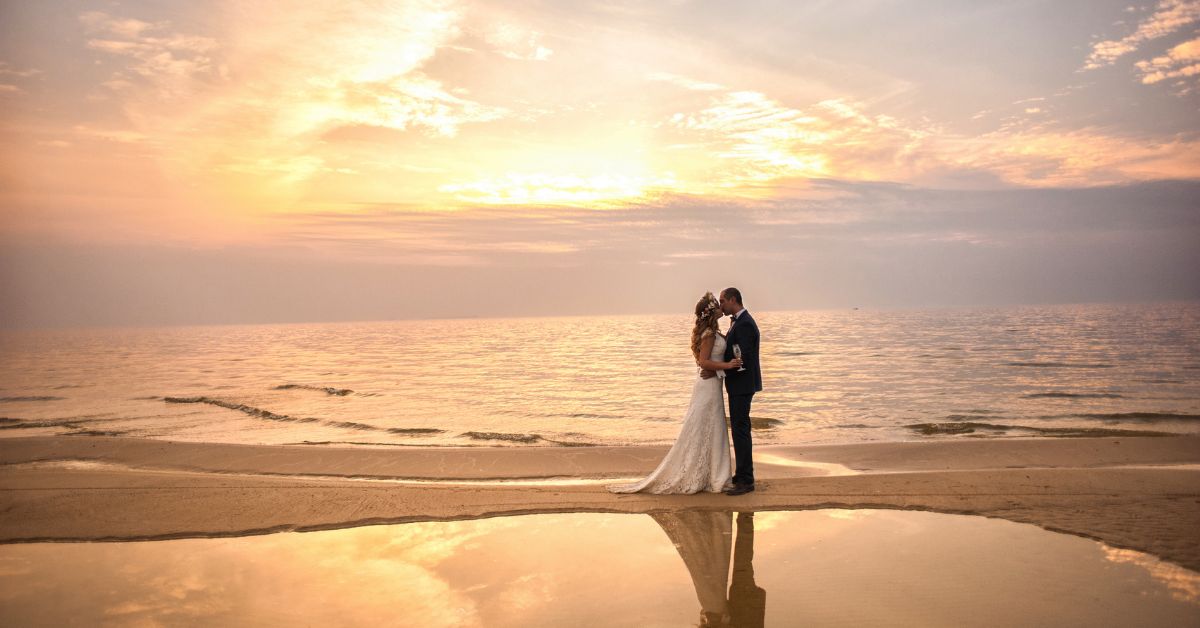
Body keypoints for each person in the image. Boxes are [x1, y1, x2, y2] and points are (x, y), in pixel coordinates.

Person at [608, 292, 742, 494]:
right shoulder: (707, 335)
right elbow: (703, 362)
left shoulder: (713, 332)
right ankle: (711, 476)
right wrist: (727, 365)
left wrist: (721, 369)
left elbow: (705, 362)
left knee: (712, 427)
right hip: (708, 386)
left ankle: (714, 474)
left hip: (713, 383)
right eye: (717, 304)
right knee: (704, 427)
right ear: (711, 312)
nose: (720, 307)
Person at [706, 287, 762, 496]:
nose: (721, 305)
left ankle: (746, 480)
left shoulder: (745, 324)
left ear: (732, 299)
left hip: (742, 384)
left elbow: (742, 359)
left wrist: (719, 369)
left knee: (740, 430)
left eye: (723, 301)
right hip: (739, 384)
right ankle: (742, 475)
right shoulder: (739, 322)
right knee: (740, 429)